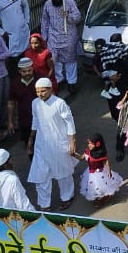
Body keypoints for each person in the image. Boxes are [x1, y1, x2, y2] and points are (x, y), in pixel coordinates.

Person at [27, 77, 77, 211]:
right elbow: (35, 120)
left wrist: (72, 142)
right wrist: (31, 139)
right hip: (41, 145)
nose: (40, 94)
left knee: (63, 173)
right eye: (37, 91)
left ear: (50, 89)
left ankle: (67, 197)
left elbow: (69, 122)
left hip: (58, 144)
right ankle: (44, 205)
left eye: (43, 91)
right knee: (40, 176)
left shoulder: (59, 103)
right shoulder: (35, 103)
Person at [40, 0, 81, 94]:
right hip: (53, 37)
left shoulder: (69, 2)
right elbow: (45, 21)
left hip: (69, 37)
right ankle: (58, 80)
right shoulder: (47, 4)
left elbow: (77, 18)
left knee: (70, 61)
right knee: (54, 60)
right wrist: (44, 37)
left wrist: (68, 16)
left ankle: (71, 82)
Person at [72, 133, 123, 206]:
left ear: (97, 144)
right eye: (89, 143)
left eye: (91, 144)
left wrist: (108, 170)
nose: (89, 145)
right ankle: (98, 198)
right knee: (93, 187)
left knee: (100, 186)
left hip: (100, 173)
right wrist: (74, 155)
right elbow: (81, 158)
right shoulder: (88, 151)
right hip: (90, 173)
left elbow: (106, 161)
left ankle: (101, 199)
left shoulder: (101, 153)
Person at [7, 57, 37, 145]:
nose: (27, 73)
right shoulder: (15, 84)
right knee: (29, 146)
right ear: (19, 71)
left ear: (33, 68)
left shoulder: (40, 79)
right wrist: (10, 122)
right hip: (25, 122)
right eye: (24, 71)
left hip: (41, 120)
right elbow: (11, 103)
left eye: (29, 70)